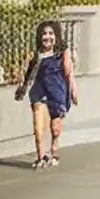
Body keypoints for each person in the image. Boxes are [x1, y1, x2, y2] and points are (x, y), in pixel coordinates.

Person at [13, 21, 78, 170]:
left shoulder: (62, 52)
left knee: (55, 128)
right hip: (39, 90)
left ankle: (54, 145)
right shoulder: (36, 55)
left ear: (56, 36)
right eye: (44, 34)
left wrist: (73, 89)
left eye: (50, 34)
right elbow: (27, 73)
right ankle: (40, 156)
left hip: (57, 91)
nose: (47, 37)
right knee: (38, 125)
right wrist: (21, 88)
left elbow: (68, 72)